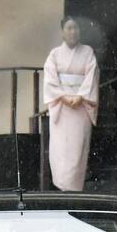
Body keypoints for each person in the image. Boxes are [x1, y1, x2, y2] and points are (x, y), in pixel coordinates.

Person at [43, 17, 99, 192]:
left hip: (80, 108)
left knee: (77, 151)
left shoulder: (88, 52)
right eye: (68, 28)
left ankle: (75, 190)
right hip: (62, 108)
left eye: (75, 28)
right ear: (62, 32)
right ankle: (62, 188)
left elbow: (92, 75)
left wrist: (81, 96)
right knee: (60, 151)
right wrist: (64, 97)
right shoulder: (54, 54)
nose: (72, 32)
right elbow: (50, 79)